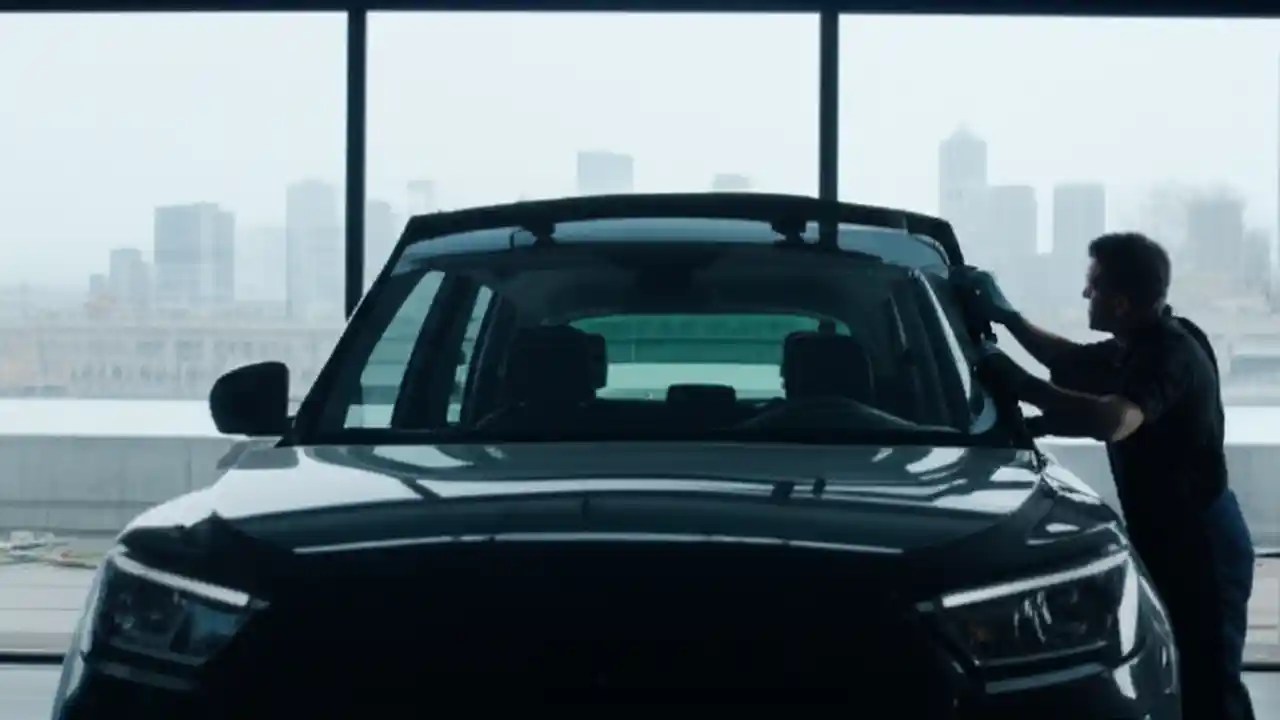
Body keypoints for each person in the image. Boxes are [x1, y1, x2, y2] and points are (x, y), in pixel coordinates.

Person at [958, 232, 1256, 720]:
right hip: (1173, 535)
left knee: (1209, 682)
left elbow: (1116, 419)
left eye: (1091, 286)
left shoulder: (1171, 353)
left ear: (1119, 302)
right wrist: (1007, 320)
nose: (1084, 295)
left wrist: (1023, 386)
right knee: (1182, 674)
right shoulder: (1136, 342)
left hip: (1201, 542)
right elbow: (1068, 361)